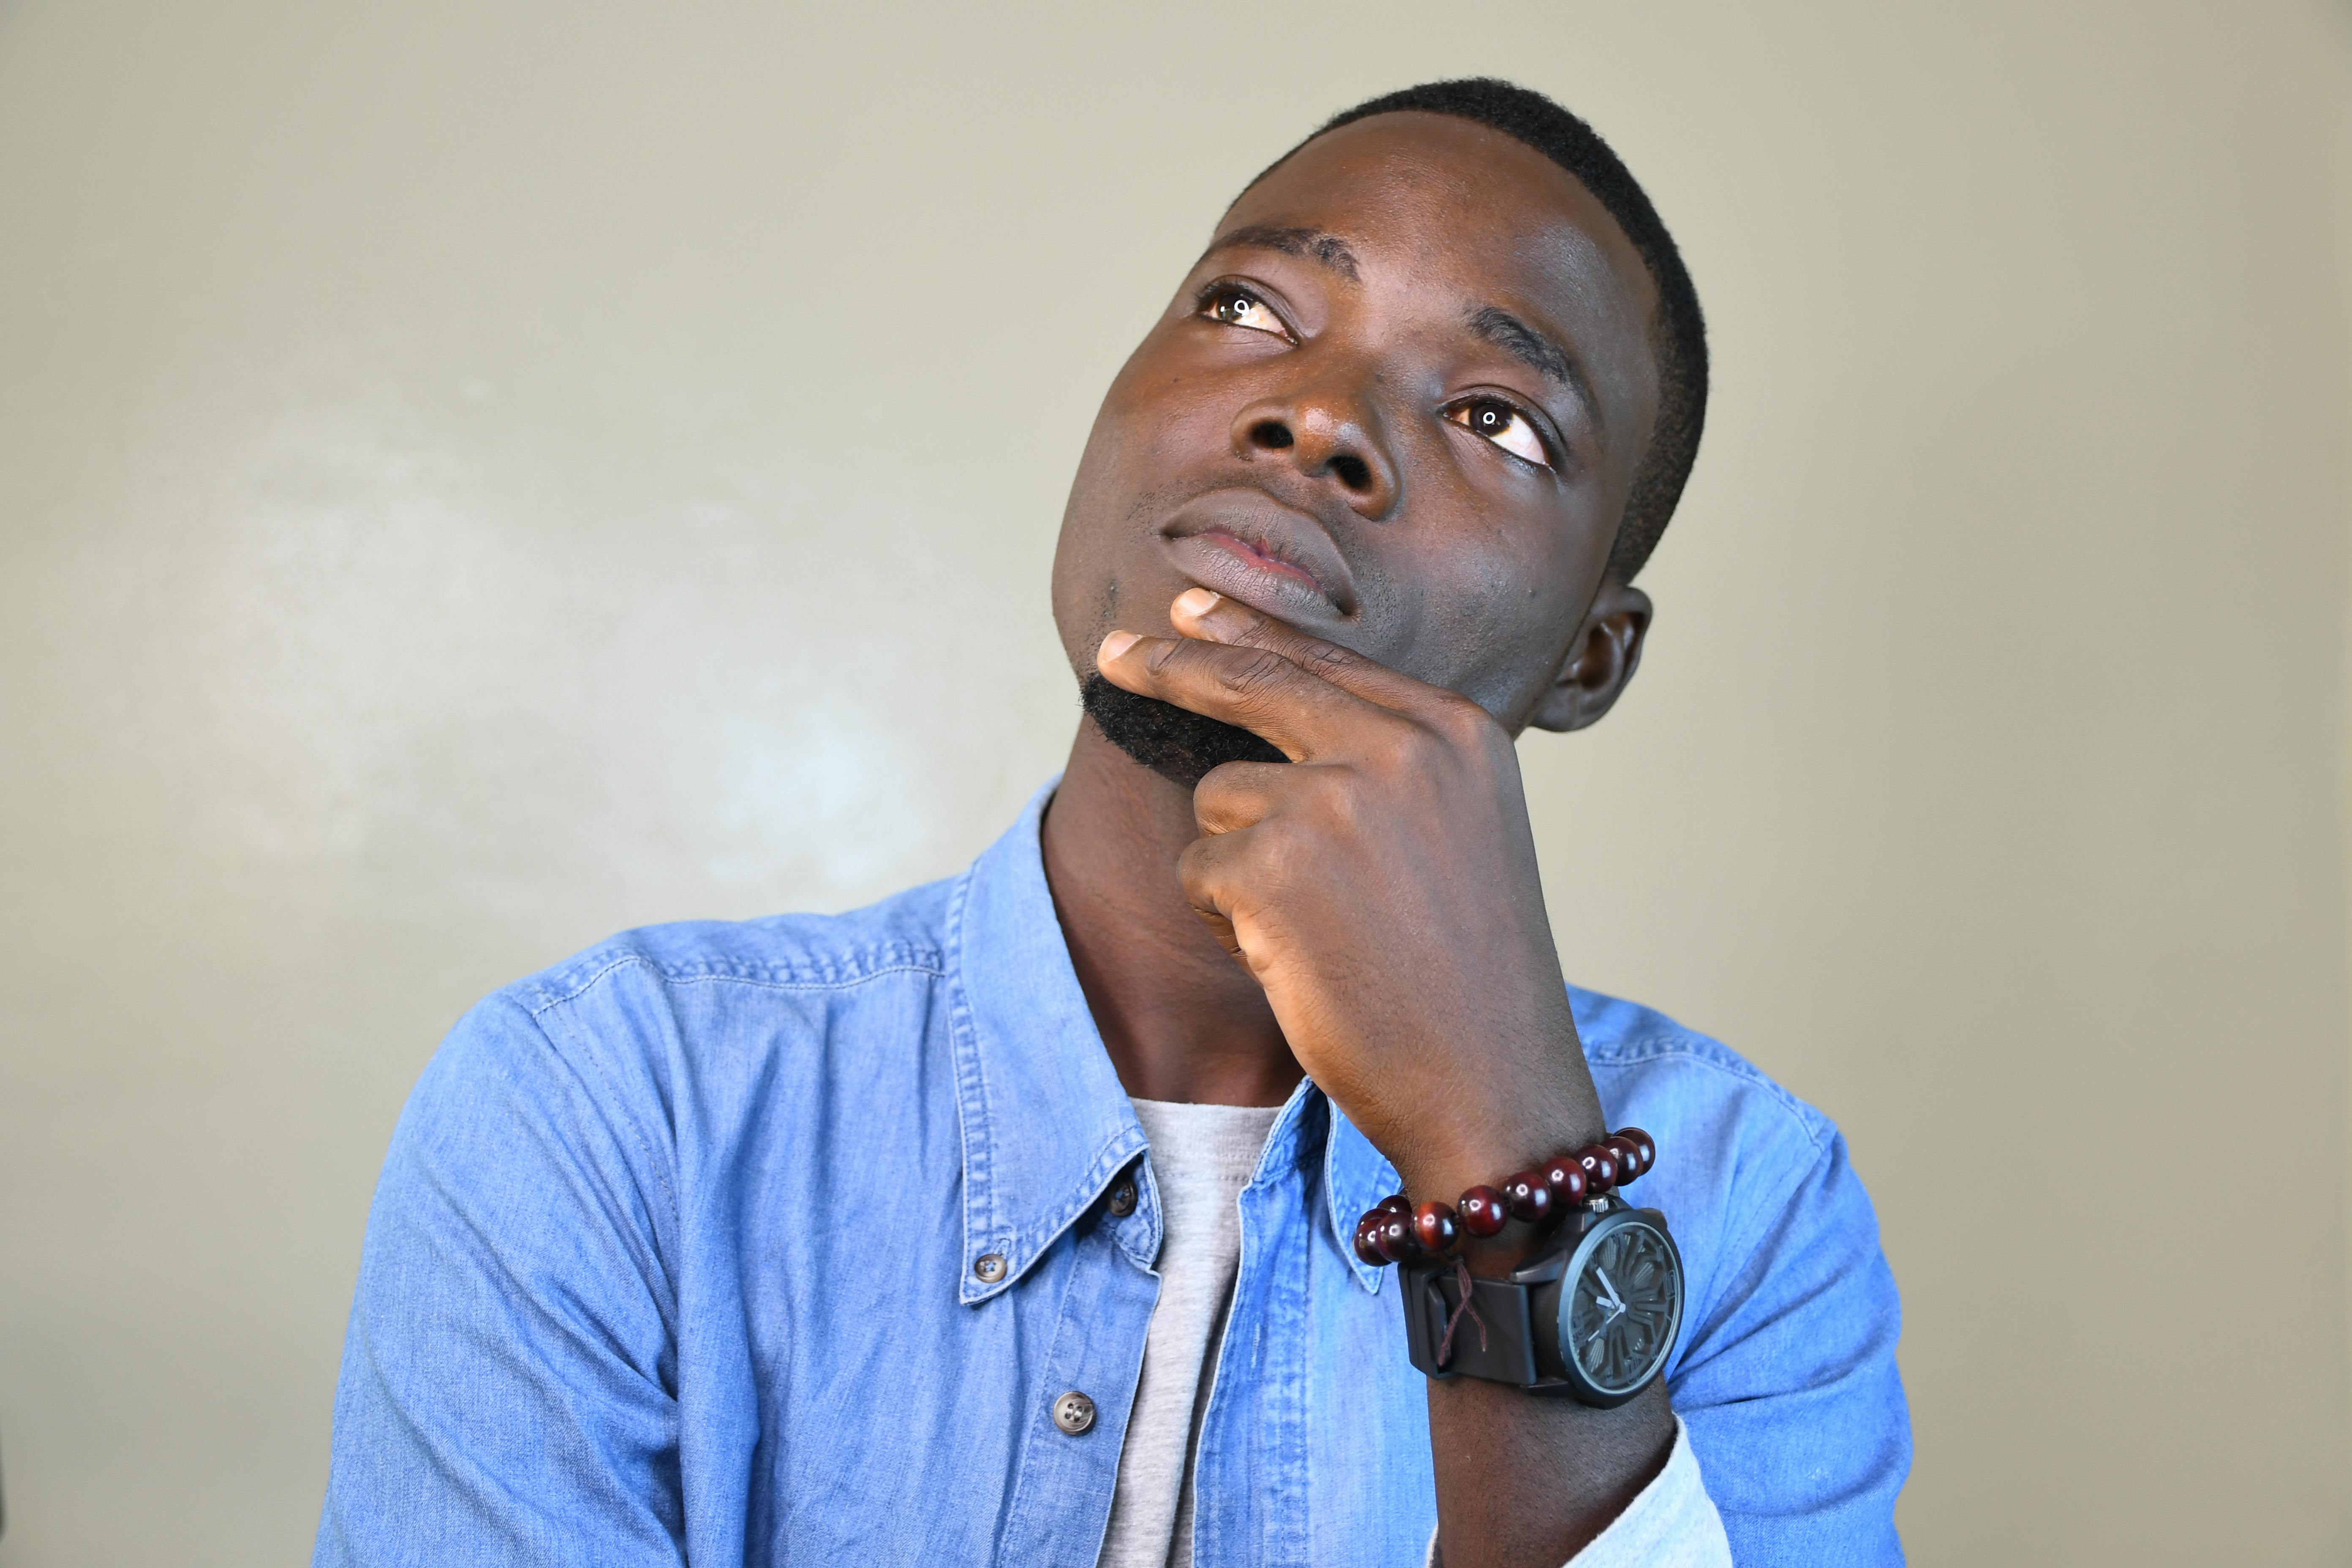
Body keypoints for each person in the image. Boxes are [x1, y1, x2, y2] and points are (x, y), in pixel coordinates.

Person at [313, 78, 1908, 1568]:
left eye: (1498, 418)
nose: (1321, 415)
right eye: (1248, 308)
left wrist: (1511, 1170)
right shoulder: (611, 1111)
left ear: (1587, 657)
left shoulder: (1749, 1212)